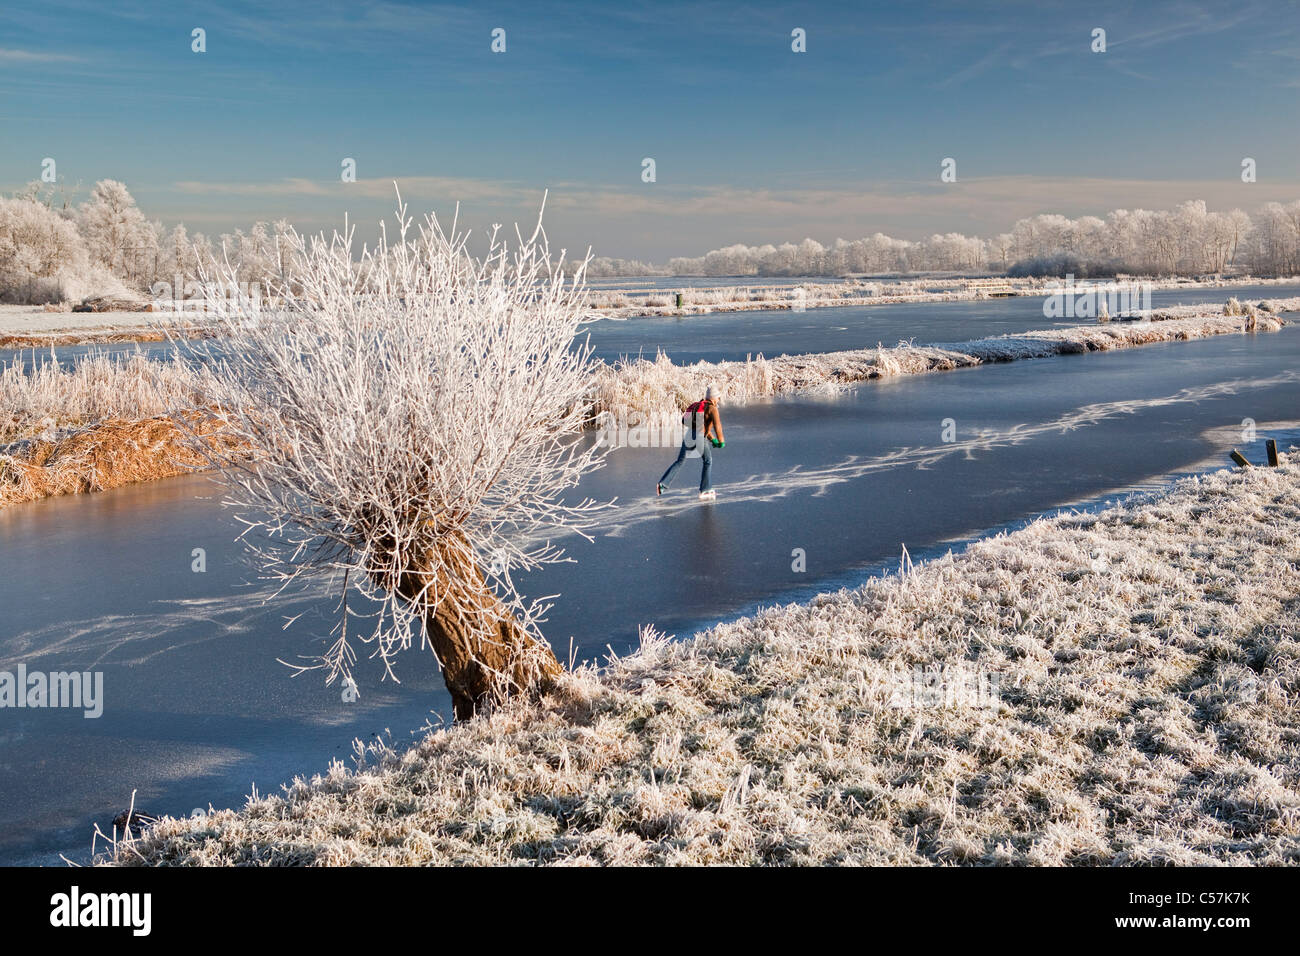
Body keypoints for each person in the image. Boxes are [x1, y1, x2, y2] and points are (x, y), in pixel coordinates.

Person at [657, 385, 725, 500]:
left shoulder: (697, 405)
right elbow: (718, 426)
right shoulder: (713, 408)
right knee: (708, 461)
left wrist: (712, 439)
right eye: (718, 398)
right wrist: (721, 441)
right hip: (699, 437)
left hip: (689, 435)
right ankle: (705, 489)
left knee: (680, 461)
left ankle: (663, 484)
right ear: (713, 398)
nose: (719, 400)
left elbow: (696, 425)